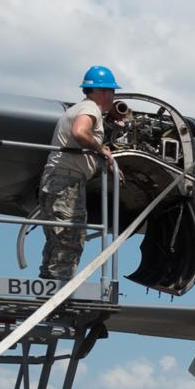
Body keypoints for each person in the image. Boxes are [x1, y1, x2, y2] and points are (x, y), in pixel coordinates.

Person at [35, 63, 124, 281]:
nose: (113, 98)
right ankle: (59, 289)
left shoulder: (76, 108)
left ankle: (48, 284)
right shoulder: (91, 109)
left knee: (57, 239)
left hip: (53, 179)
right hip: (67, 182)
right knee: (70, 238)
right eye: (112, 92)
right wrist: (101, 150)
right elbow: (80, 132)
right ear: (104, 92)